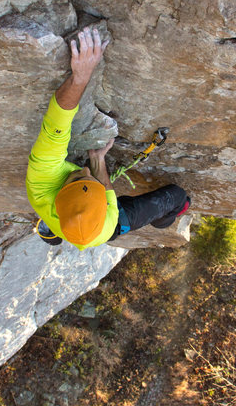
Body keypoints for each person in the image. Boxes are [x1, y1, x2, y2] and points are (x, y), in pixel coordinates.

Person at [26, 26, 190, 249]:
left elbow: (56, 123)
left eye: (77, 179)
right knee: (179, 197)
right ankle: (164, 221)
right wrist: (98, 162)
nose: (84, 171)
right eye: (90, 179)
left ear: (59, 198)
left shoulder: (41, 182)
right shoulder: (105, 225)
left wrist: (80, 78)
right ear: (102, 203)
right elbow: (107, 189)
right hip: (117, 223)